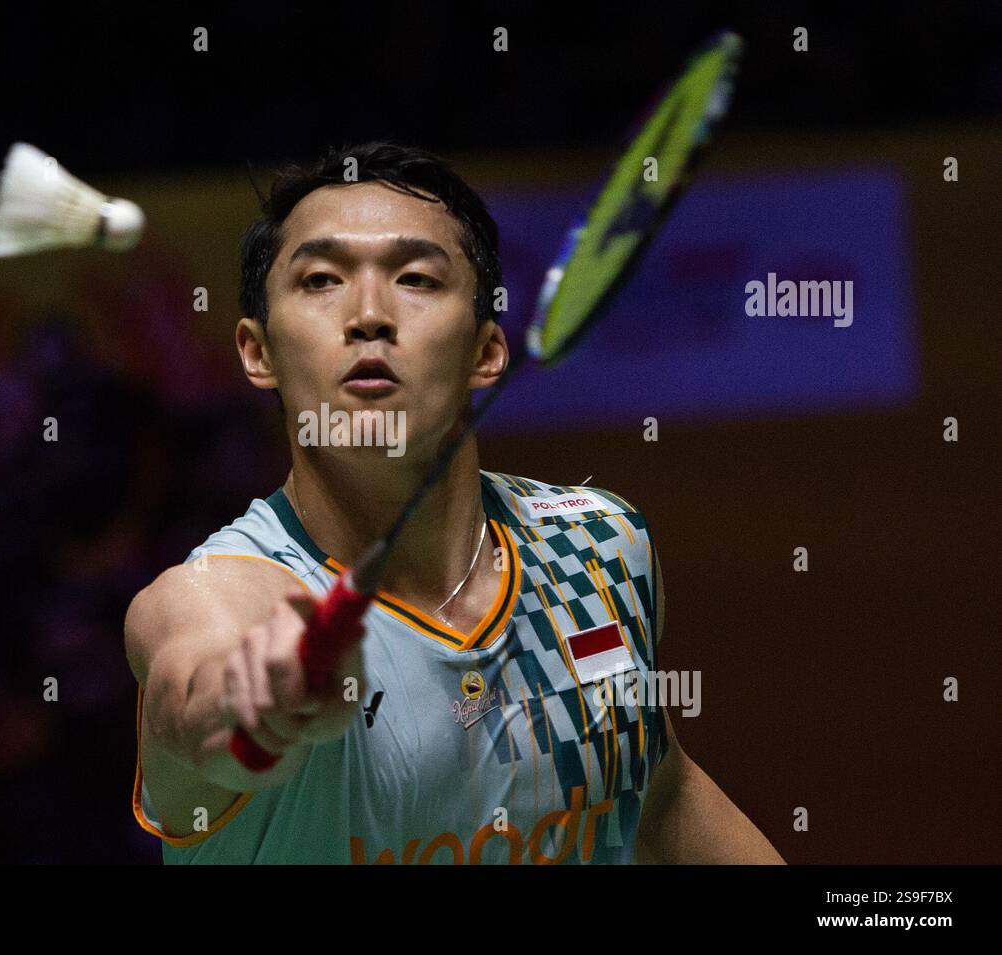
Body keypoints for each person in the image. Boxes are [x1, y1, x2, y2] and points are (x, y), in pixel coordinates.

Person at [124, 141, 783, 864]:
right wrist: (249, 699)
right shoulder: (210, 594)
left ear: (486, 351)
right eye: (320, 279)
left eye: (415, 278)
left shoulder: (600, 546)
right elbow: (192, 696)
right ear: (258, 352)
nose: (369, 314)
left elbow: (656, 797)